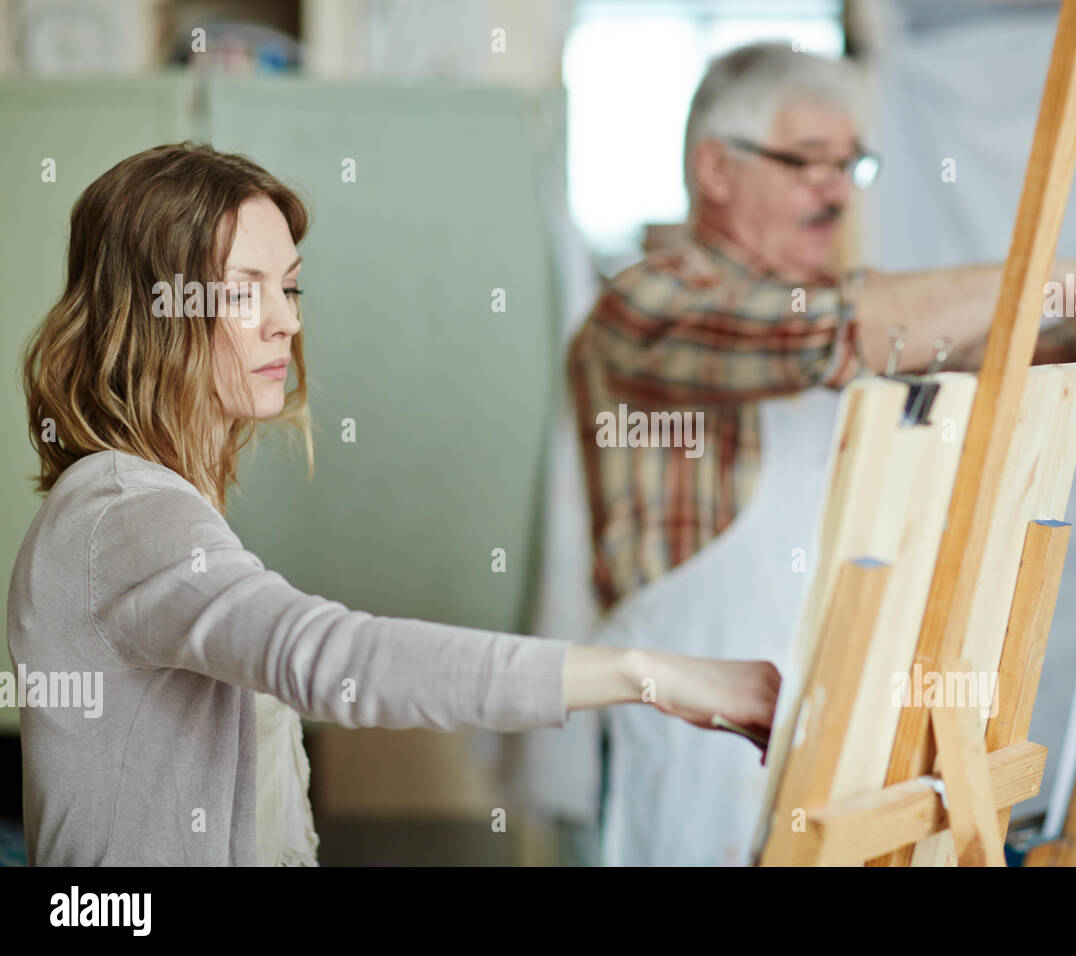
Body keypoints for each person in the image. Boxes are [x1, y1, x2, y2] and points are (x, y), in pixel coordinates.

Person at [569, 42, 1076, 865]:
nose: (835, 190)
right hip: (694, 737)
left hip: (838, 717)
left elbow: (1029, 353)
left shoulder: (877, 317)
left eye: (850, 165)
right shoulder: (645, 304)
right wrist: (1061, 274)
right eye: (808, 163)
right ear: (716, 169)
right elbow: (828, 332)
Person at [7, 142, 779, 866]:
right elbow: (333, 660)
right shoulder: (124, 512)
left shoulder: (142, 504)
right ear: (152, 311)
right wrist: (646, 672)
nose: (287, 319)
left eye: (290, 285)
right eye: (245, 292)